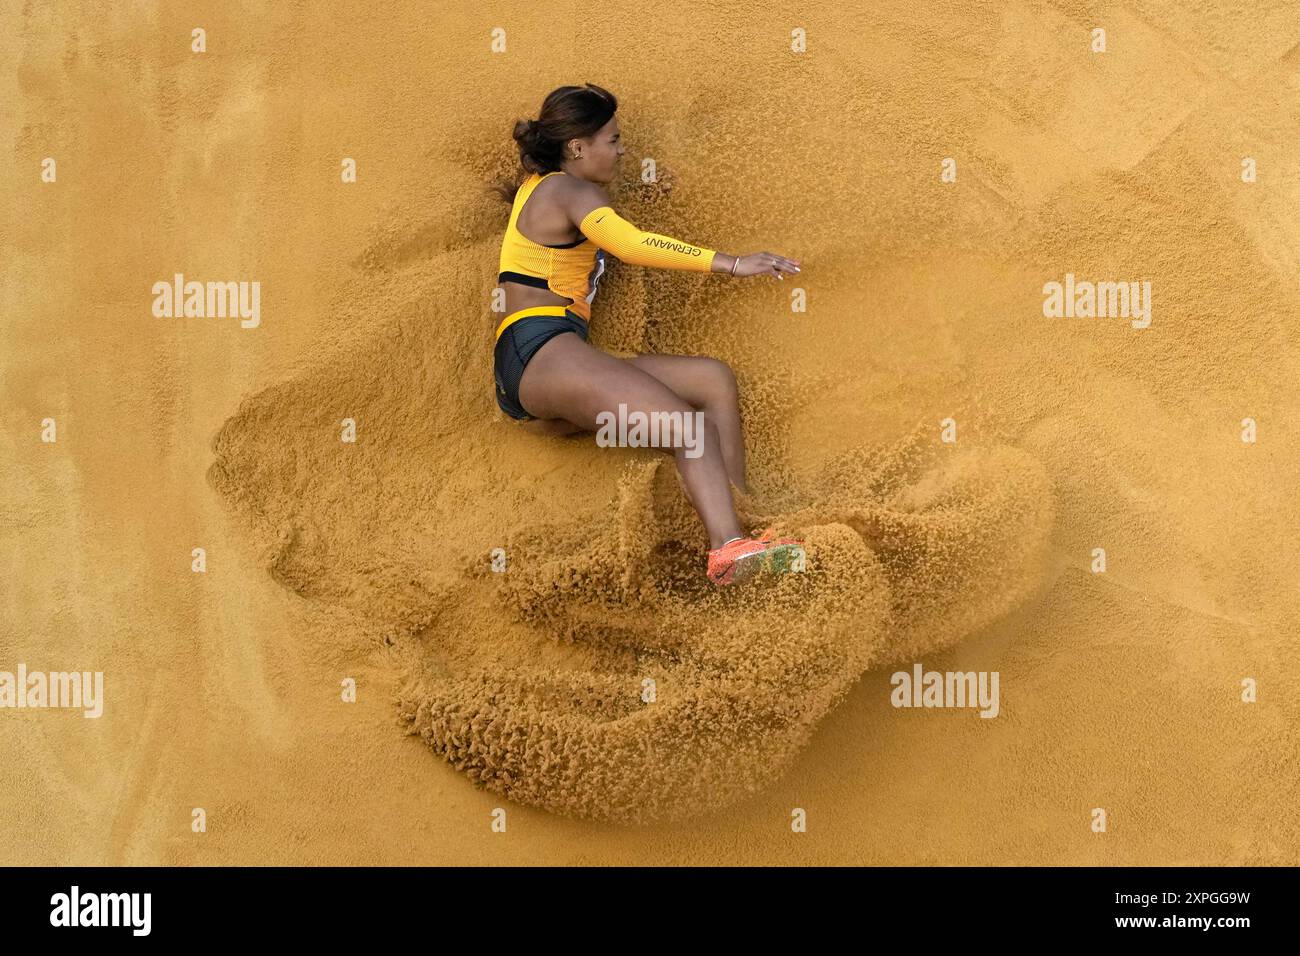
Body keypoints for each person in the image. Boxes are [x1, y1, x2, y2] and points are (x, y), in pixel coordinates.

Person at [492, 83, 802, 586]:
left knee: (710, 380)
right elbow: (630, 244)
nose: (622, 150)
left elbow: (605, 227)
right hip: (540, 353)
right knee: (691, 429)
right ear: (578, 148)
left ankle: (738, 528)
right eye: (613, 141)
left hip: (546, 368)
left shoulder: (549, 187)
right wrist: (734, 263)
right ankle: (728, 551)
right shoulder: (568, 190)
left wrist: (646, 194)